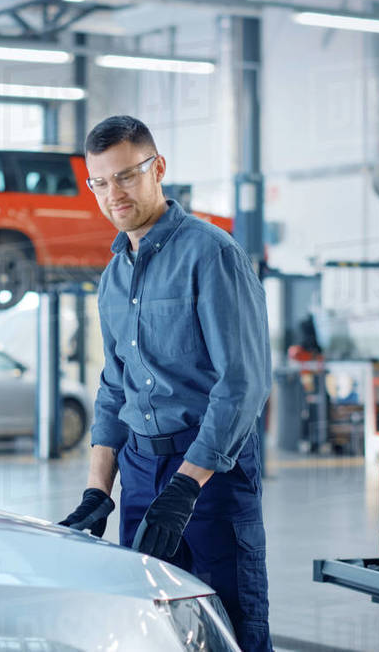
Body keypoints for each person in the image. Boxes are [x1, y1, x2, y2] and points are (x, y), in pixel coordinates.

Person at [58, 115, 273, 651]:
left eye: (126, 176)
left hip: (210, 474)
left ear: (158, 169)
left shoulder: (211, 253)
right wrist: (97, 490)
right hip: (138, 470)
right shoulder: (113, 275)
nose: (114, 194)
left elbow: (243, 382)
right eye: (100, 182)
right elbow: (115, 387)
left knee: (230, 628)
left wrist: (185, 486)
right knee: (153, 628)